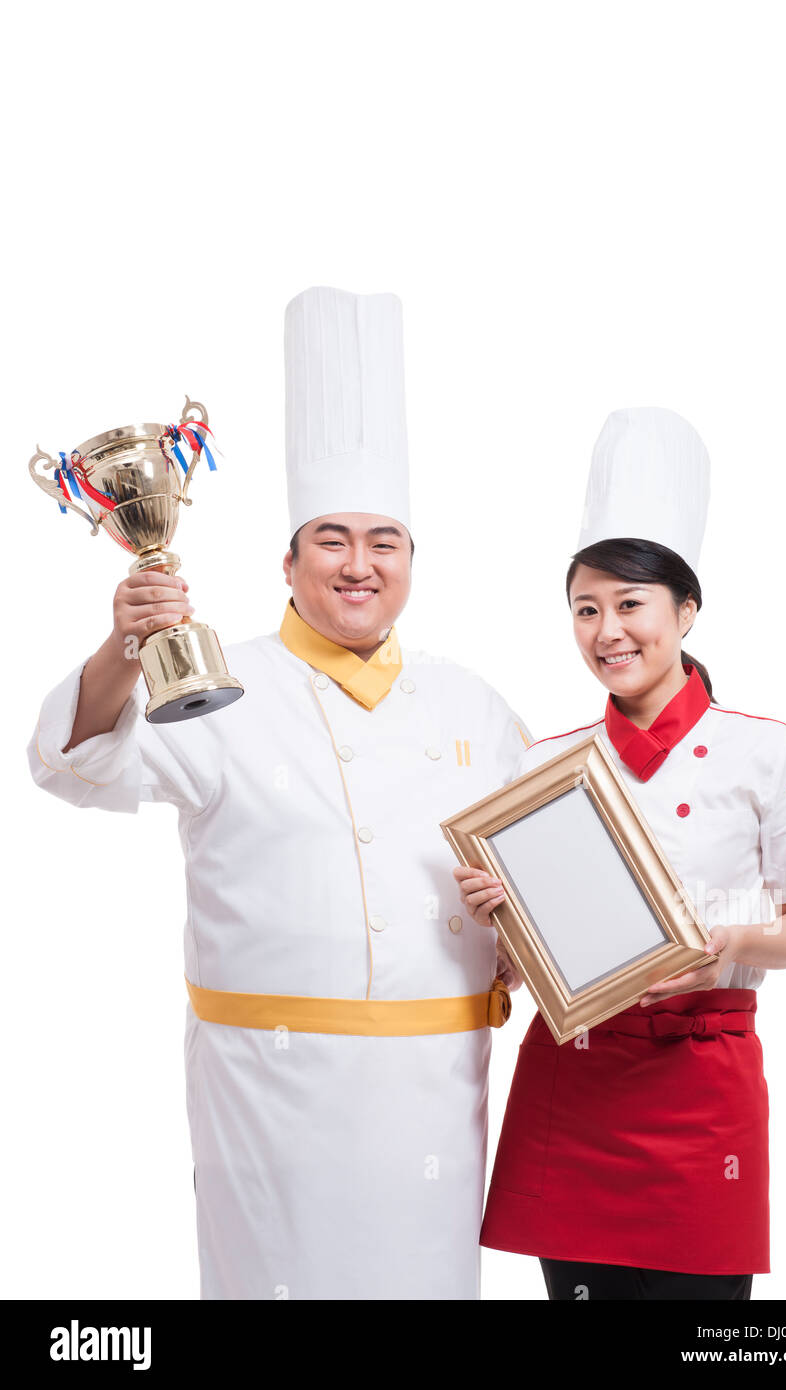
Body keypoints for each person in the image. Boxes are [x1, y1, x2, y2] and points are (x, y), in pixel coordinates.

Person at [27, 286, 531, 1300]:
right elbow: (73, 766)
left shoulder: (476, 703)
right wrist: (126, 645)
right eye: (331, 540)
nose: (358, 564)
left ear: (409, 562)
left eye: (381, 541)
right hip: (266, 1087)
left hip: (433, 1094)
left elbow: (541, 893)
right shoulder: (214, 682)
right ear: (288, 561)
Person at [454, 406, 786, 1301]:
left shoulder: (765, 748)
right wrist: (498, 919)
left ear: (687, 610)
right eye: (585, 610)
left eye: (630, 605)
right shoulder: (546, 765)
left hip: (701, 1083)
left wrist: (730, 944)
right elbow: (524, 964)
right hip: (577, 1078)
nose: (607, 632)